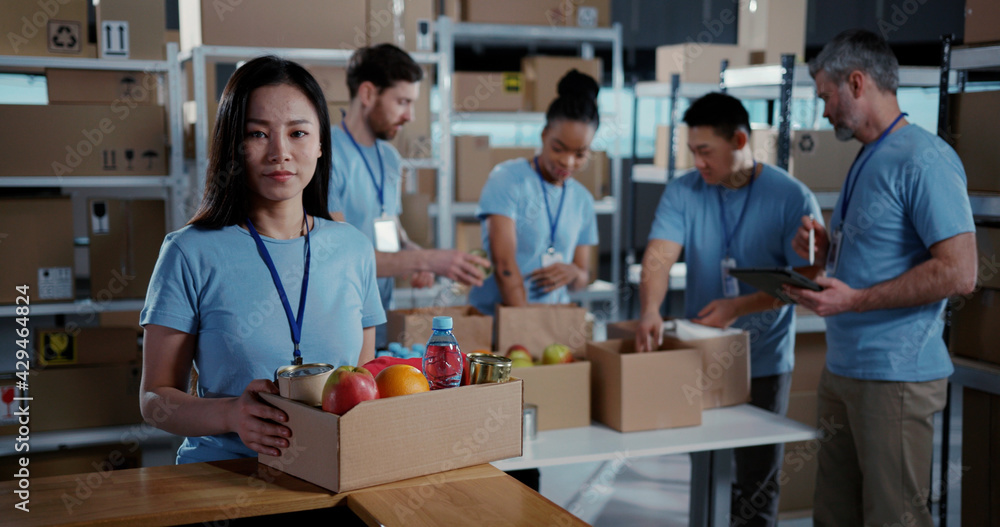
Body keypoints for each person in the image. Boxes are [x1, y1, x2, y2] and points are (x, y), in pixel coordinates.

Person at [139, 56, 385, 463]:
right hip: (224, 479)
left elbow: (363, 382)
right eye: (257, 134)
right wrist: (231, 413)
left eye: (298, 133)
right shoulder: (189, 251)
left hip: (332, 476)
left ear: (321, 143)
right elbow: (154, 400)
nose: (280, 153)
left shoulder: (353, 249)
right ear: (232, 145)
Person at [783, 29, 978, 527]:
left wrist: (854, 301)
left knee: (895, 518)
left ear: (855, 82)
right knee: (834, 515)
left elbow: (960, 272)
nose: (823, 111)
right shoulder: (868, 155)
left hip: (895, 378)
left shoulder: (925, 159)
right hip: (845, 369)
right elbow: (880, 256)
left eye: (826, 96)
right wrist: (828, 252)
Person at [636, 92, 823, 526]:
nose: (697, 163)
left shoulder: (791, 197)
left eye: (705, 152)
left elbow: (805, 281)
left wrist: (740, 306)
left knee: (756, 481)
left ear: (739, 140)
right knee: (705, 470)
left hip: (764, 360)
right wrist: (649, 309)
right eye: (693, 152)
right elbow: (659, 257)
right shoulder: (685, 191)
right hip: (702, 356)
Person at [329, 44, 489, 346]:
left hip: (379, 318)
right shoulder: (327, 157)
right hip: (338, 326)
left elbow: (389, 227)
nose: (409, 115)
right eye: (402, 101)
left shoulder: (389, 158)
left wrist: (412, 254)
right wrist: (427, 259)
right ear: (367, 94)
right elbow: (345, 258)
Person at [468, 69, 600, 316]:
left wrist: (574, 272)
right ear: (544, 135)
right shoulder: (507, 179)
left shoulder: (582, 200)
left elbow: (583, 277)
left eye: (580, 154)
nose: (568, 162)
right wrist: (525, 326)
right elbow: (504, 265)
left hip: (550, 322)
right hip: (498, 319)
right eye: (559, 149)